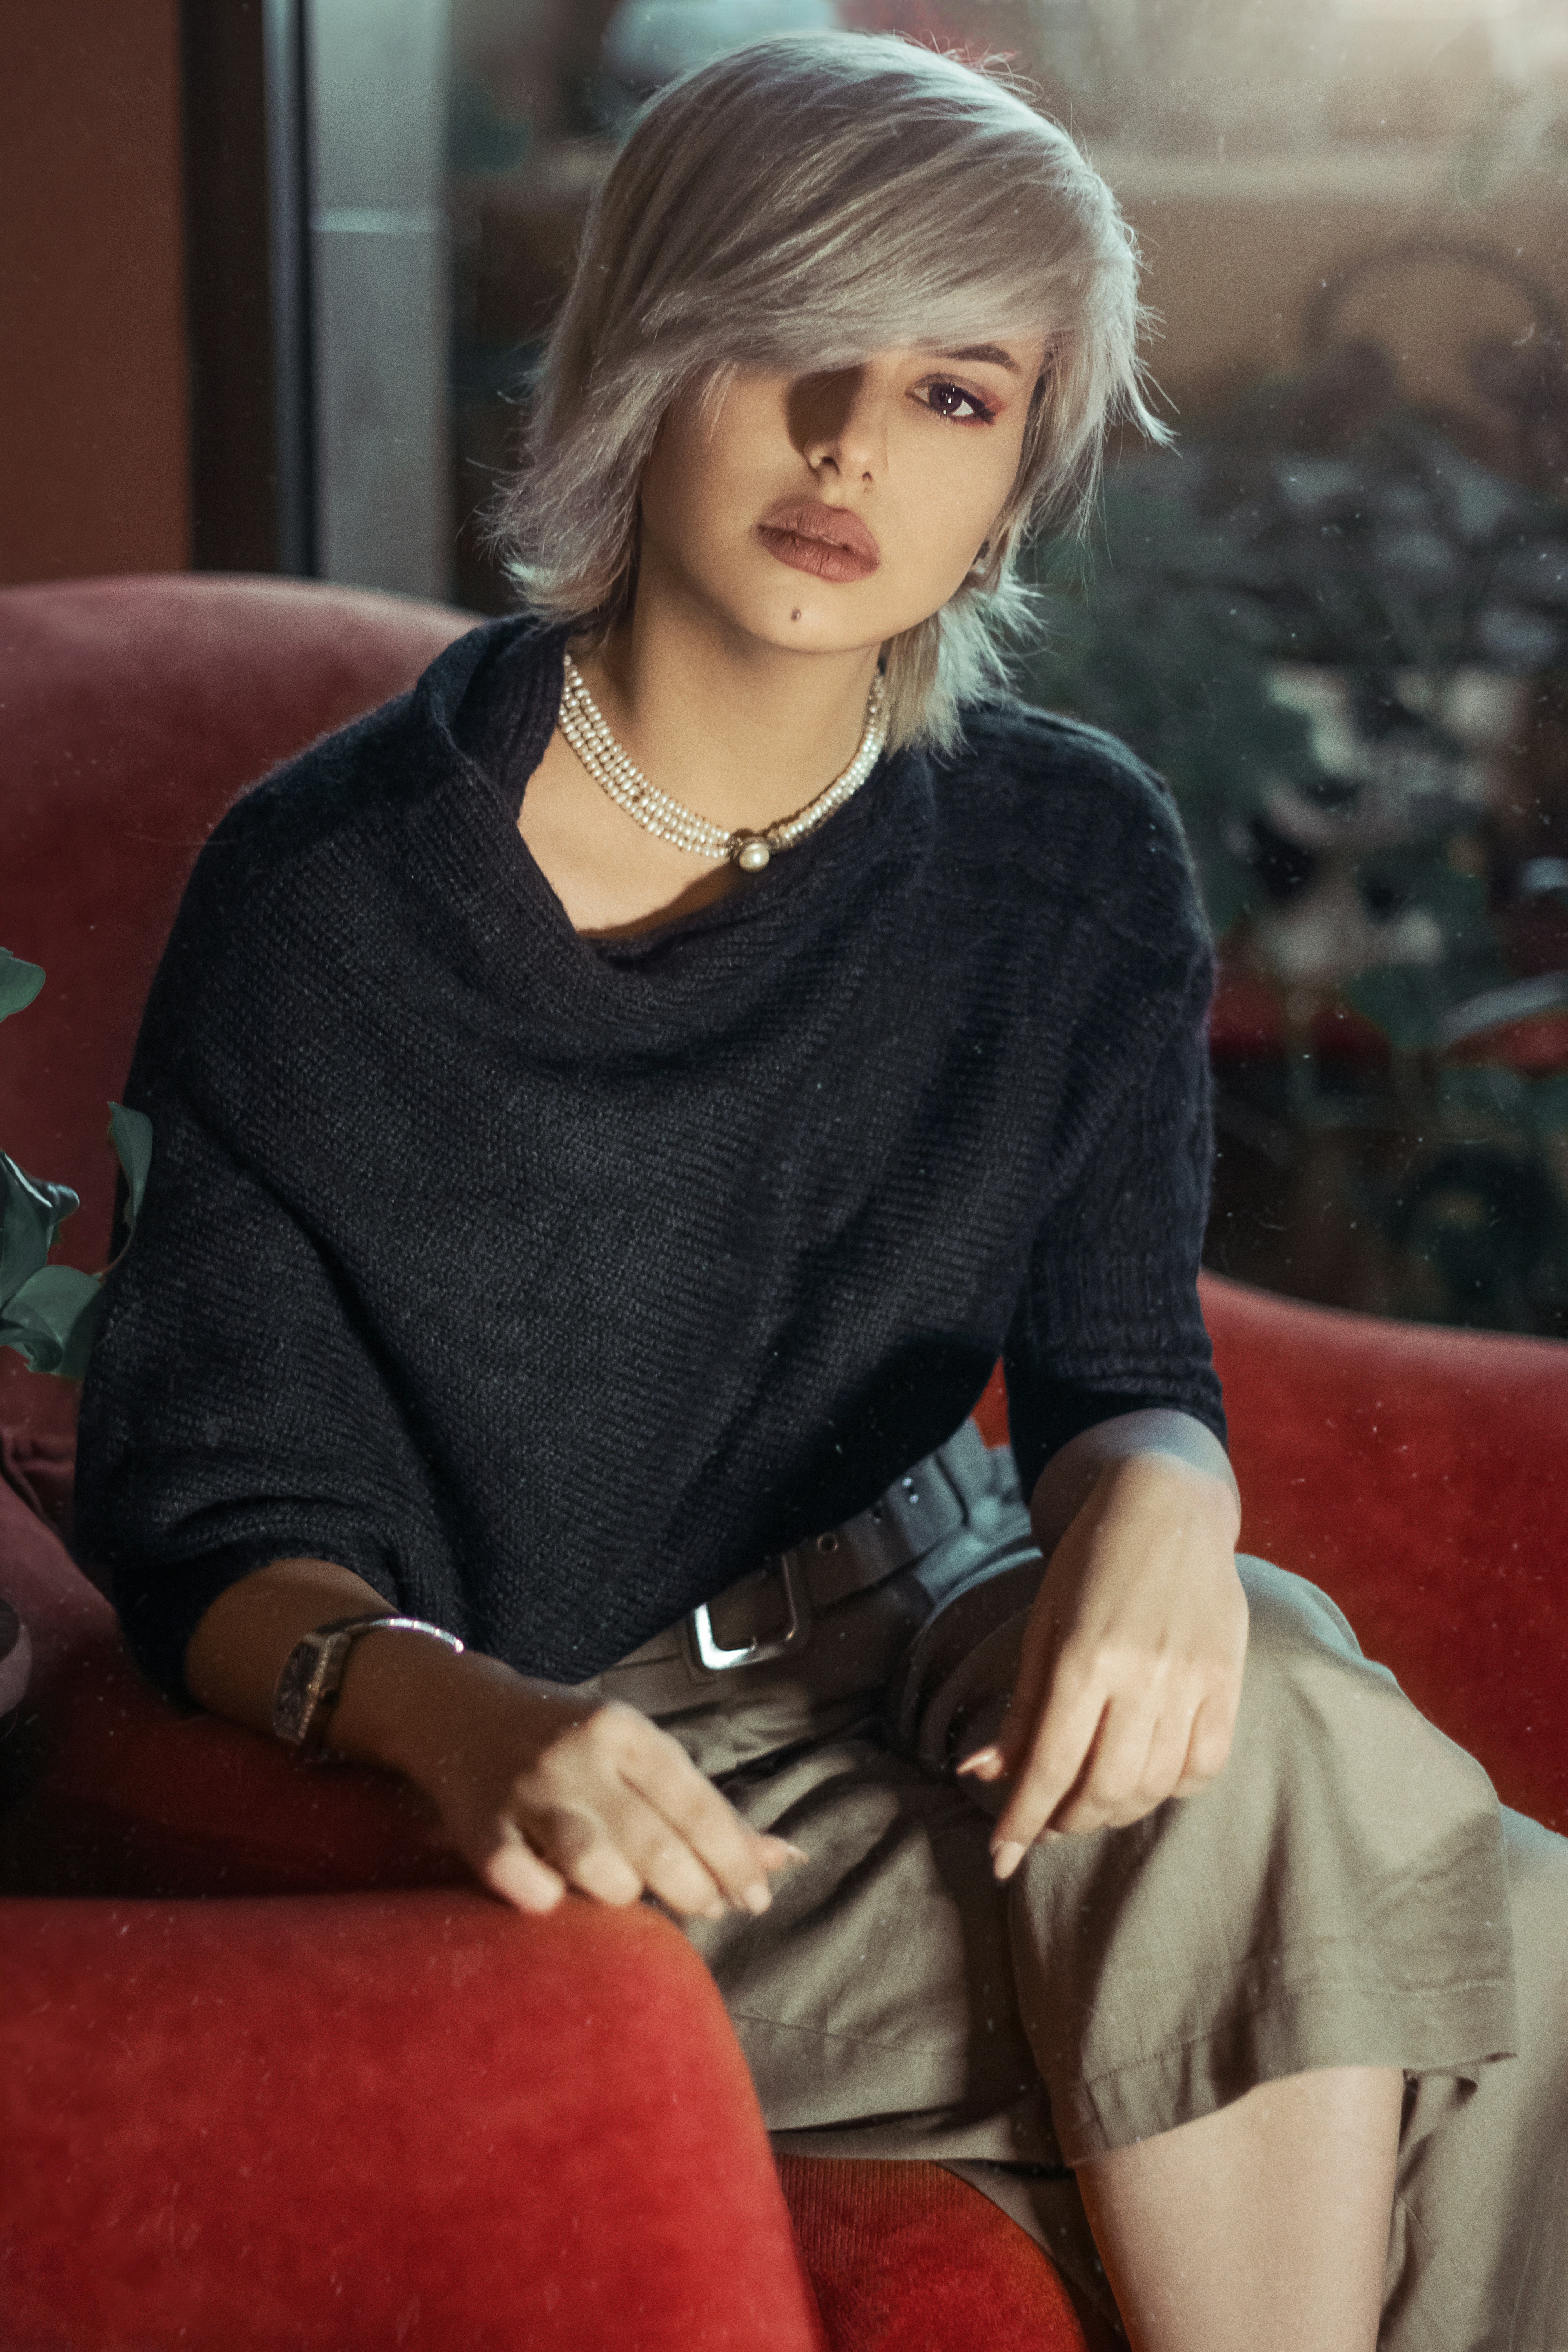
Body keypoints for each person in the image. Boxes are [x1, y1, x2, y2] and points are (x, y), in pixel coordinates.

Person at [74, 33, 1566, 2350]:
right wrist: (464, 1721)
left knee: (1250, 1693)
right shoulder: (332, 899)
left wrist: (1164, 1495)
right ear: (651, 355)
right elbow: (203, 1528)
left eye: (959, 393)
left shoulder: (1065, 852)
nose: (858, 444)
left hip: (957, 1634)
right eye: (794, 345)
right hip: (622, 1772)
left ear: (1024, 471)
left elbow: (1120, 1365)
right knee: (1502, 1940)